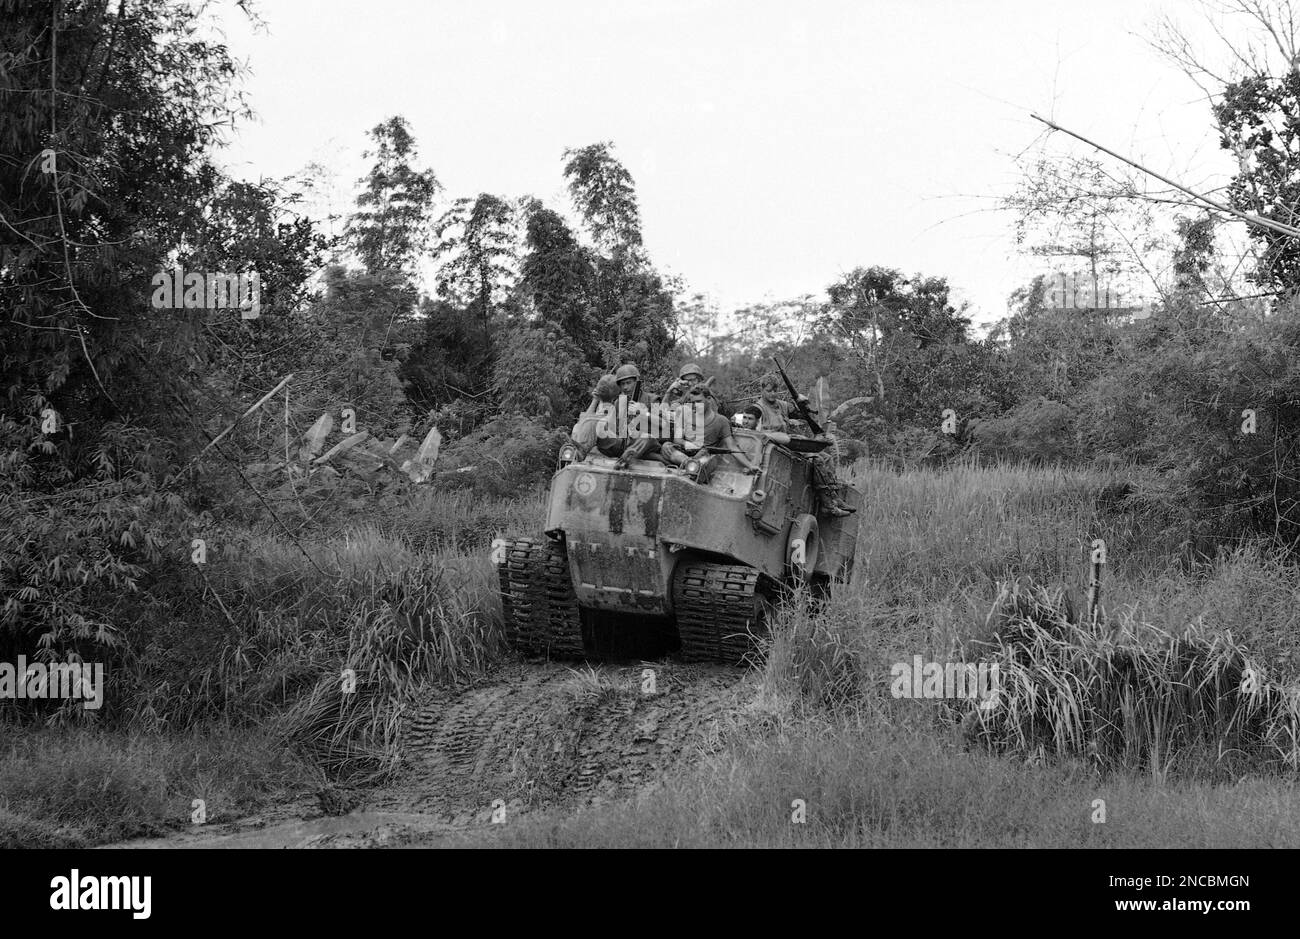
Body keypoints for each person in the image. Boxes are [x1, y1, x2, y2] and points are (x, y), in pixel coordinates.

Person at [752, 372, 855, 518]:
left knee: (826, 457)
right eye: (769, 391)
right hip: (774, 447)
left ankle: (834, 497)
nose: (773, 394)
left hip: (789, 441)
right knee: (817, 459)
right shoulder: (758, 409)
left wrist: (803, 402)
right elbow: (752, 430)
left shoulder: (781, 405)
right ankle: (828, 504)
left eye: (775, 390)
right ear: (762, 390)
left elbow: (804, 413)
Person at [660, 384, 760, 477]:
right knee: (666, 446)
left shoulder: (721, 421)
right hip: (683, 454)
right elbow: (677, 440)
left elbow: (732, 446)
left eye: (699, 401)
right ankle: (689, 464)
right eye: (692, 402)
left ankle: (692, 466)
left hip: (705, 456)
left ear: (708, 399)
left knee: (706, 456)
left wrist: (750, 465)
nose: (695, 405)